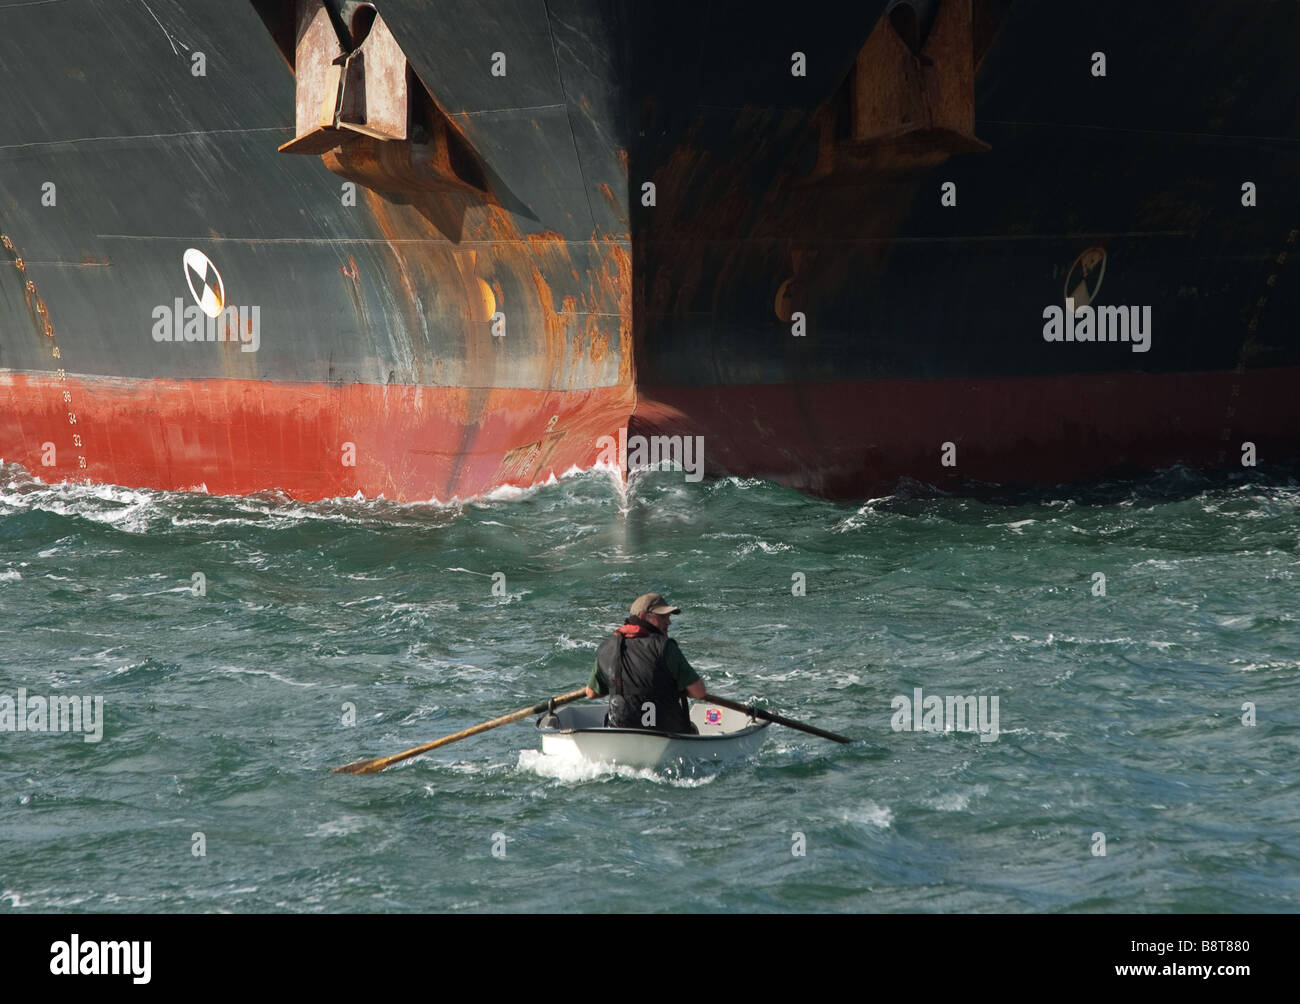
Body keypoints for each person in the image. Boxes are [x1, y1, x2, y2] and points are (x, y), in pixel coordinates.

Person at [585, 593, 707, 733]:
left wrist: (617, 685)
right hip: (666, 733)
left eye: (668, 616)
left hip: (620, 732)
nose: (668, 622)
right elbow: (699, 692)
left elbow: (591, 693)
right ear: (643, 617)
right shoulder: (665, 647)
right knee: (693, 729)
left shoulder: (606, 647)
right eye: (662, 617)